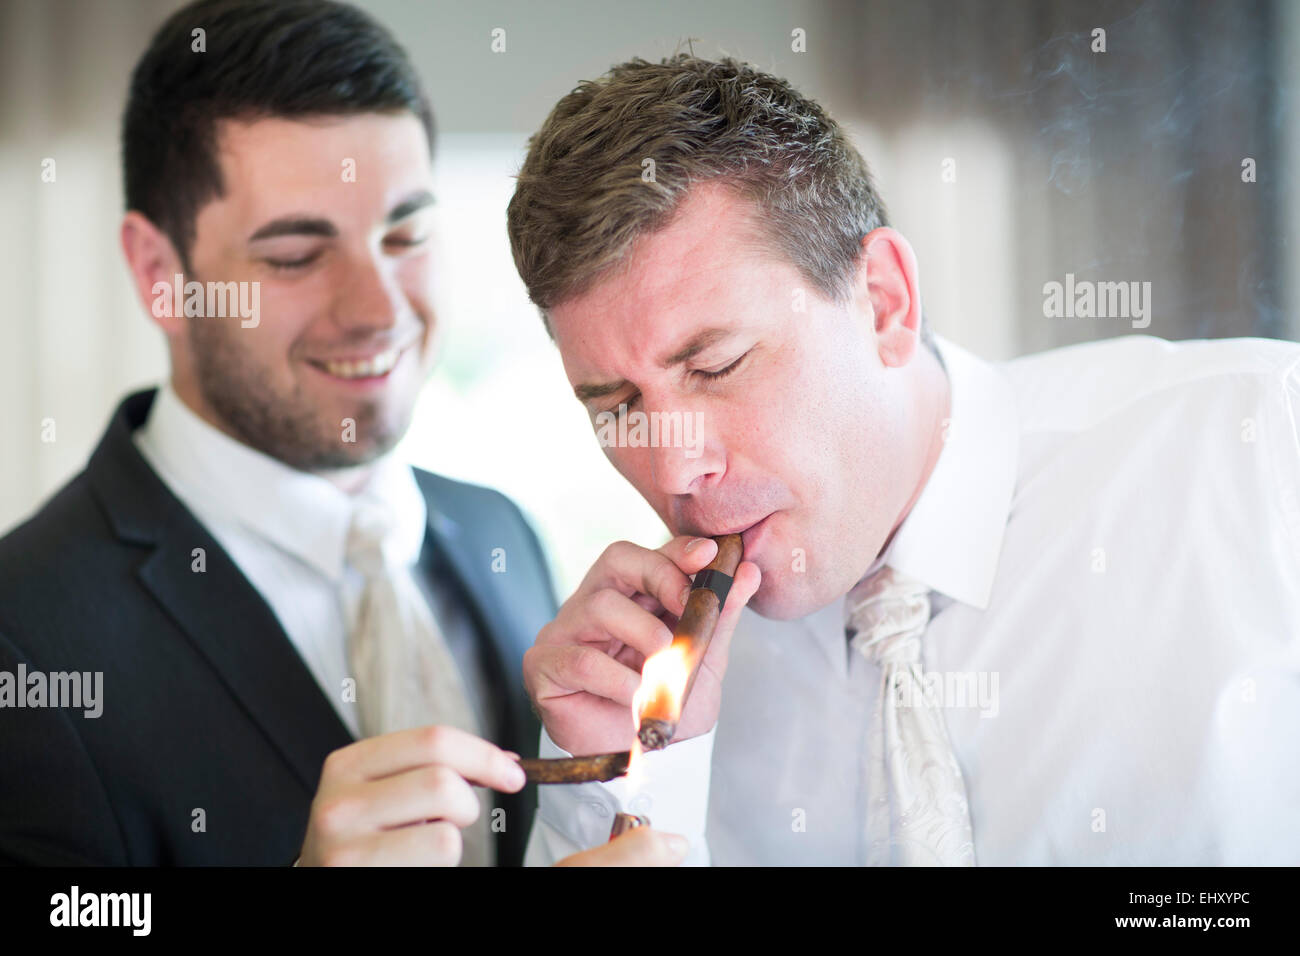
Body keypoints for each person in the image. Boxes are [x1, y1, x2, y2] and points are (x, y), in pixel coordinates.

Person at [508, 54, 1300, 865]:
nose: (674, 471)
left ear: (884, 301)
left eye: (716, 367)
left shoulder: (1263, 446)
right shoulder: (649, 681)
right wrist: (619, 781)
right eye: (619, 408)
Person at [0, 0, 684, 868]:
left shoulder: (497, 531)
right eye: (295, 254)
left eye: (405, 232)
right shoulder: (22, 639)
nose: (380, 310)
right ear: (158, 274)